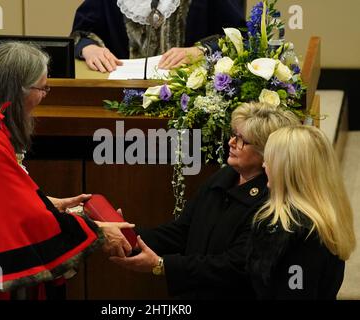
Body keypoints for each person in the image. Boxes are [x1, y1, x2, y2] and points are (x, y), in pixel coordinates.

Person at [0, 42, 133, 300]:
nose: (44, 95)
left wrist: (48, 204)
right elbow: (23, 218)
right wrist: (96, 230)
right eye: (42, 88)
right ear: (19, 91)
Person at [110, 102, 300, 299]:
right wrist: (129, 235)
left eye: (242, 140)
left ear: (266, 152)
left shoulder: (270, 199)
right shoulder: (224, 177)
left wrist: (162, 265)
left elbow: (235, 265)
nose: (231, 142)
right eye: (234, 134)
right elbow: (182, 231)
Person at [247, 126, 356, 299]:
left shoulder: (301, 237)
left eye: (269, 159)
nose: (264, 165)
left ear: (287, 169)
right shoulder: (324, 219)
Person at [70, 0, 246, 72]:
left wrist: (201, 51)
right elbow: (83, 31)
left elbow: (239, 37)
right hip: (120, 99)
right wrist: (88, 47)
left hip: (189, 101)